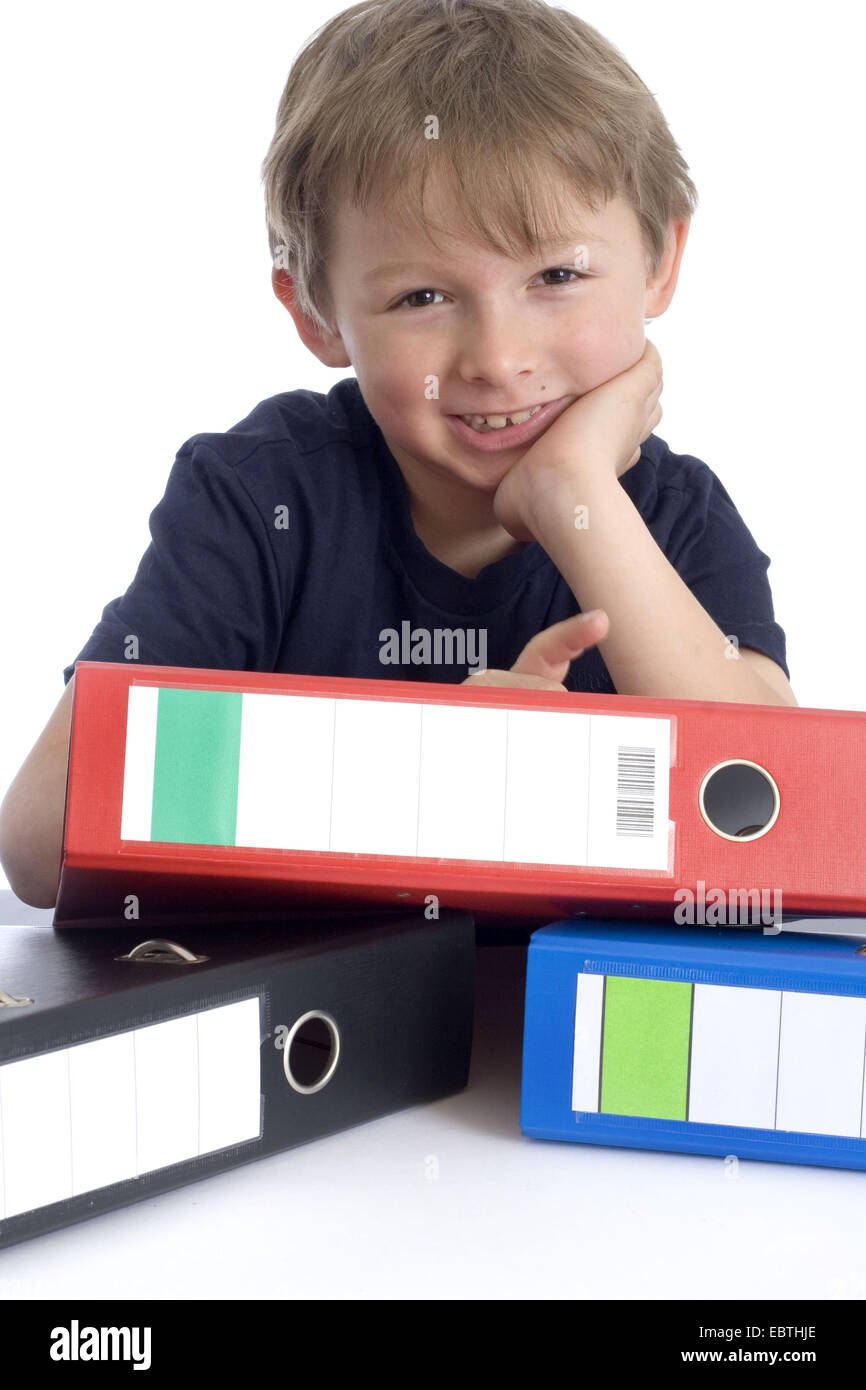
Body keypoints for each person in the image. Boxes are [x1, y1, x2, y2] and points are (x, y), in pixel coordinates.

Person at [0, 0, 795, 908]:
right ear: (313, 314)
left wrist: (575, 493)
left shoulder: (672, 519)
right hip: (321, 1036)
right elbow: (38, 839)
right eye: (422, 296)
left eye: (557, 277)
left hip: (537, 1040)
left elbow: (785, 822)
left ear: (661, 258)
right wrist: (438, 771)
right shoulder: (262, 499)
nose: (498, 361)